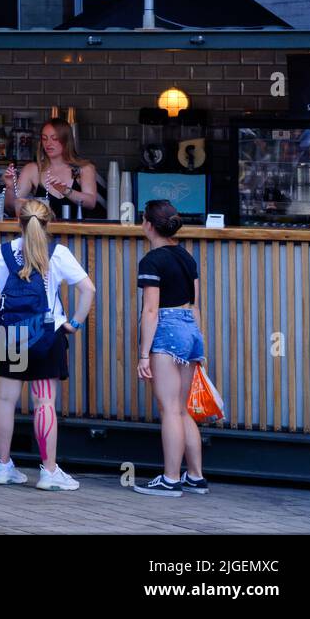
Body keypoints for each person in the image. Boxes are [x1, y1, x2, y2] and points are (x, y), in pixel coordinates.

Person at [0, 199, 95, 491]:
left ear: (17, 221)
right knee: (44, 402)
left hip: (10, 334)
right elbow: (88, 289)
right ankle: (48, 472)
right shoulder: (58, 253)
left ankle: (3, 467)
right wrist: (73, 323)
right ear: (48, 222)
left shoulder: (1, 252)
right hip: (47, 335)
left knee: (4, 401)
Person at [132, 200, 210, 497]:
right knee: (183, 409)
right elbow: (195, 305)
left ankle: (171, 478)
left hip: (167, 329)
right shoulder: (187, 258)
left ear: (149, 225)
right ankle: (195, 476)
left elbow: (151, 311)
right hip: (191, 328)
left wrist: (143, 354)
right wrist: (198, 339)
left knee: (169, 410)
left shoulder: (151, 261)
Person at [3, 117, 97, 216]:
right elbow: (11, 207)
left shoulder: (84, 168)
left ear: (66, 140)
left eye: (54, 138)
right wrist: (10, 187)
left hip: (76, 230)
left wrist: (66, 191)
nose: (48, 143)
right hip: (42, 231)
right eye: (44, 139)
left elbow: (90, 203)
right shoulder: (33, 169)